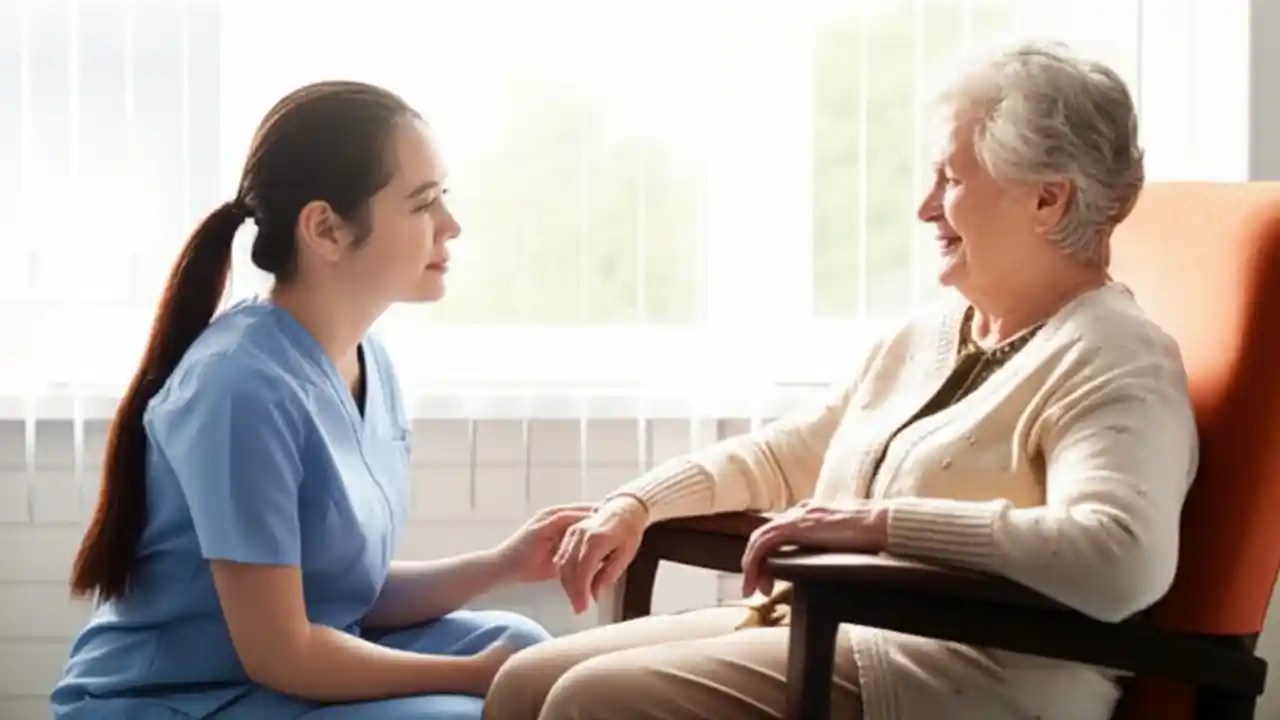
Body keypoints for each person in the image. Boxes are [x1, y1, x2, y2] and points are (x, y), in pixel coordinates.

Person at [484, 42, 1199, 720]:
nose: (924, 206)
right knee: (522, 684)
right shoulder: (934, 331)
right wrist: (637, 504)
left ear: (1048, 201)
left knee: (592, 702)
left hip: (964, 672)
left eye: (950, 179)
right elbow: (787, 454)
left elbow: (1121, 558)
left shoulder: (1115, 357)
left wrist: (878, 525)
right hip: (823, 624)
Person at [51, 81, 585, 719]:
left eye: (443, 196)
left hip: (289, 671)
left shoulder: (367, 360)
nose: (451, 224)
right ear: (326, 228)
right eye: (421, 204)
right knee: (477, 707)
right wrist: (472, 676)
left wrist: (502, 563)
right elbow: (283, 652)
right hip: (190, 700)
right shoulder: (238, 388)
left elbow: (341, 595)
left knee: (523, 647)